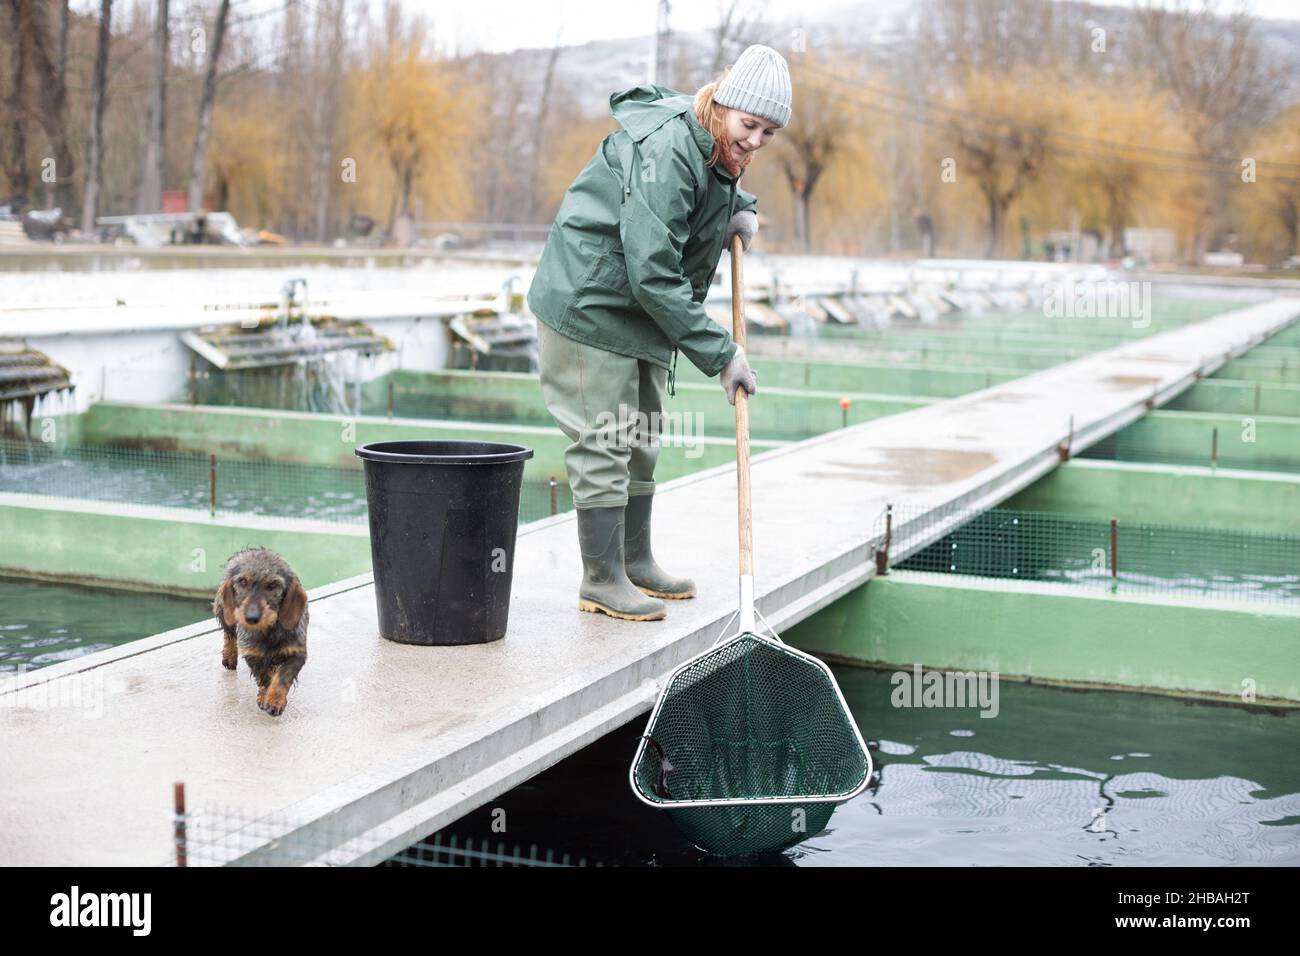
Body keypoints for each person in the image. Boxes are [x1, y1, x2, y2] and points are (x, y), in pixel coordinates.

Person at [528, 44, 792, 622]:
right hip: (592, 299)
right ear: (722, 103)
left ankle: (635, 559)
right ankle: (601, 579)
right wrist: (721, 354)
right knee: (605, 439)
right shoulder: (670, 147)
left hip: (637, 309)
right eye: (750, 125)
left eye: (769, 133)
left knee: (643, 435)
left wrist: (736, 205)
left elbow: (709, 185)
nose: (754, 142)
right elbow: (652, 270)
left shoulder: (713, 141)